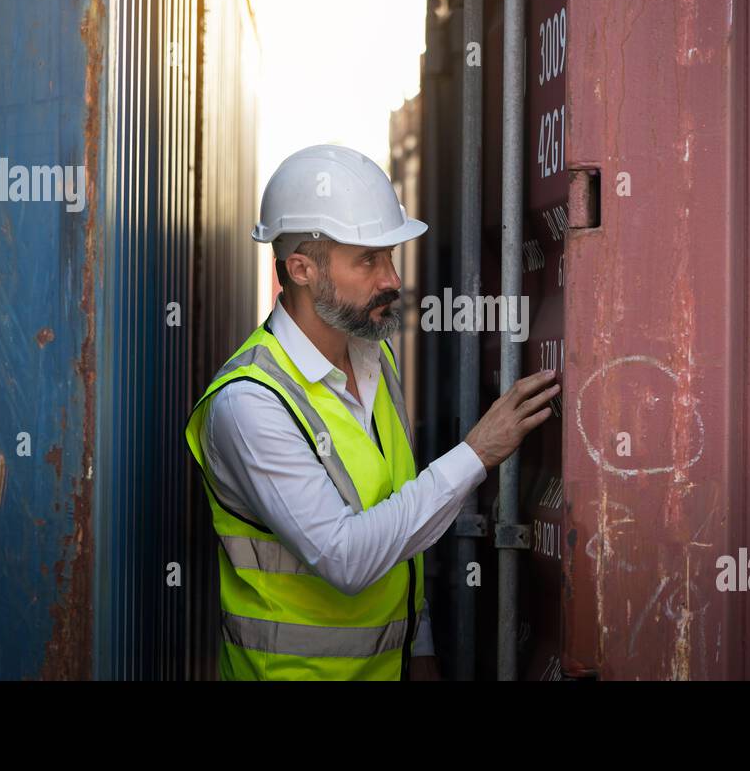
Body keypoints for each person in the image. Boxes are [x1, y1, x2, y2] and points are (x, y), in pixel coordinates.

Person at [184, 144, 558, 680]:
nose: (393, 279)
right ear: (301, 270)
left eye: (390, 256)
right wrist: (476, 454)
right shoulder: (250, 405)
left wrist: (419, 645)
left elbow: (396, 514)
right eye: (368, 260)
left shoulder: (373, 357)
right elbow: (348, 558)